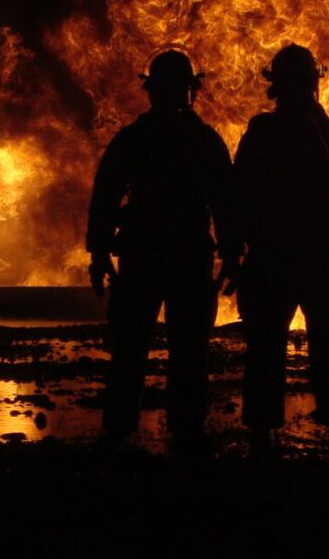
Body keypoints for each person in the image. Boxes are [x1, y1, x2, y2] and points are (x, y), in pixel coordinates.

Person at [231, 43, 329, 449]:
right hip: (307, 255)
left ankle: (264, 430)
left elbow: (237, 197)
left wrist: (232, 253)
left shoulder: (273, 132)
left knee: (269, 344)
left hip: (275, 258)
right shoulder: (325, 134)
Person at [87, 49, 235, 450]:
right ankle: (185, 432)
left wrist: (99, 253)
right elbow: (225, 204)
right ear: (192, 90)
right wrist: (232, 255)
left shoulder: (134, 140)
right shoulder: (204, 142)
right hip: (184, 256)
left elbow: (105, 198)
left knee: (132, 351)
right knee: (186, 351)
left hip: (145, 255)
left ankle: (120, 432)